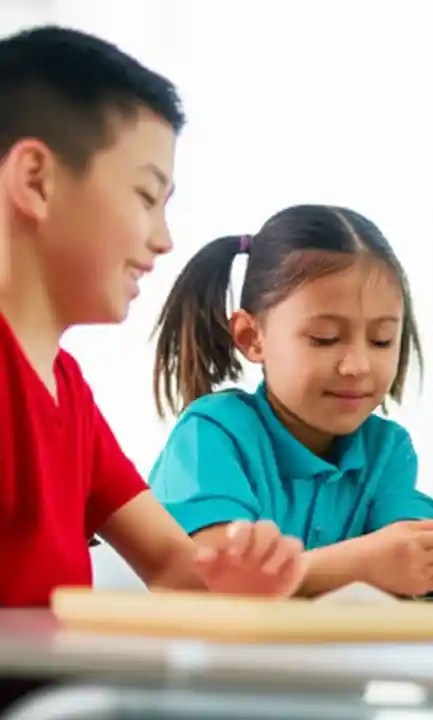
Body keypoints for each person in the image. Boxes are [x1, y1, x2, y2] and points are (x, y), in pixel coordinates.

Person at [0, 25, 304, 608]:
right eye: (145, 197)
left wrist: (242, 575)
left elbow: (173, 563)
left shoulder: (67, 392)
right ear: (37, 180)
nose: (164, 241)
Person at [148, 204, 433, 597]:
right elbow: (219, 580)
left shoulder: (386, 450)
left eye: (381, 340)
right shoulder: (211, 434)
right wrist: (362, 564)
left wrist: (426, 546)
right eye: (324, 338)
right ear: (253, 338)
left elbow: (408, 536)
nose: (357, 365)